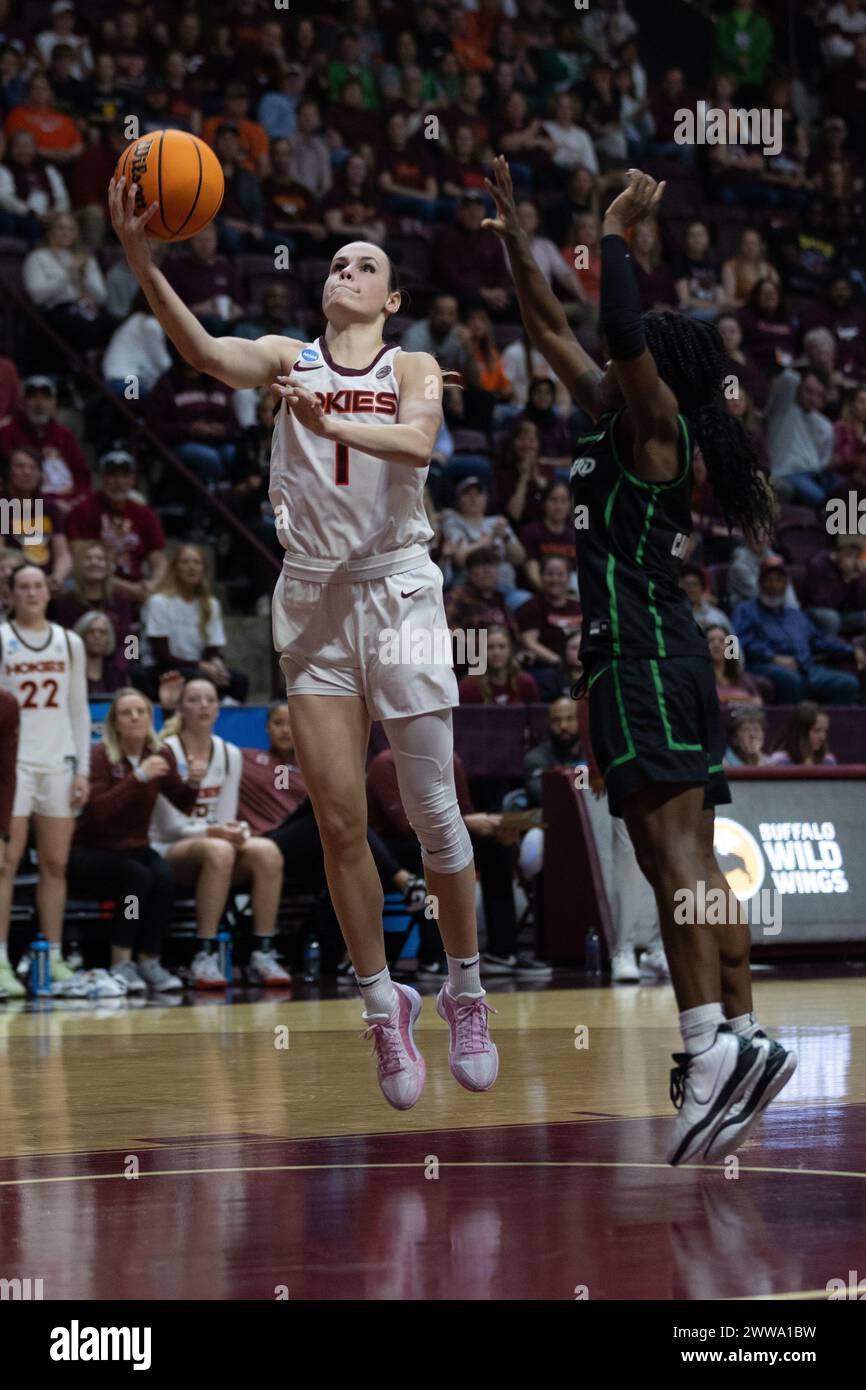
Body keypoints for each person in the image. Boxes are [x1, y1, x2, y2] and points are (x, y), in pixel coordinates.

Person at [109, 177, 499, 1108]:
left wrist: (330, 422)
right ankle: (381, 1006)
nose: (347, 271)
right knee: (335, 822)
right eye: (336, 262)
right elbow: (203, 351)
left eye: (366, 265)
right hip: (315, 597)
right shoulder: (288, 355)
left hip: (399, 590)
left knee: (433, 809)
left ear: (392, 298)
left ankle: (468, 989)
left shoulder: (409, 366)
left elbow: (419, 445)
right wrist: (139, 257)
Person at [484, 157, 796, 1165]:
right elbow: (547, 328)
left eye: (639, 357)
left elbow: (617, 329)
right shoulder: (612, 420)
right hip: (670, 664)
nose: (622, 361)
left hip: (640, 660)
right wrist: (512, 243)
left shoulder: (655, 431)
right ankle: (741, 1035)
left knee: (669, 868)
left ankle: (704, 1047)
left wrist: (613, 228)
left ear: (659, 371)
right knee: (694, 862)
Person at [149, 677, 288, 988]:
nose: (203, 706)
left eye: (210, 700)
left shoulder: (229, 753)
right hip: (167, 848)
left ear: (218, 709)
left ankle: (262, 952)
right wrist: (215, 831)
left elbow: (226, 815)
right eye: (194, 699)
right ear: (180, 708)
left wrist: (237, 829)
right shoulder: (165, 752)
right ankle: (204, 953)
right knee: (219, 849)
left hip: (212, 846)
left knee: (266, 851)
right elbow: (170, 827)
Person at [67, 687, 203, 993]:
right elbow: (99, 811)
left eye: (141, 712)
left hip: (135, 847)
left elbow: (182, 803)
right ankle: (121, 961)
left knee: (164, 877)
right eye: (127, 713)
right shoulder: (100, 756)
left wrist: (193, 781)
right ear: (114, 722)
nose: (135, 718)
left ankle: (149, 959)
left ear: (150, 718)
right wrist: (137, 778)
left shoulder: (158, 754)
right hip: (91, 851)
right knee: (137, 877)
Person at [0, 564, 90, 998]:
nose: (32, 592)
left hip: (58, 763)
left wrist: (83, 769)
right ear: (11, 593)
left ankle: (52, 957)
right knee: (5, 865)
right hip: (13, 767)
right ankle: (0, 960)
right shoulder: (2, 639)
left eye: (38, 585)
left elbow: (79, 711)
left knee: (55, 866)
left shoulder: (69, 642)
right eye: (23, 586)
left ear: (48, 593)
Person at [733, 556, 864, 702]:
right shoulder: (745, 610)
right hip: (766, 666)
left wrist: (850, 649)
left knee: (847, 683)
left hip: (806, 669)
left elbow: (818, 640)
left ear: (786, 584)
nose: (773, 585)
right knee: (791, 680)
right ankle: (791, 723)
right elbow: (740, 641)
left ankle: (834, 724)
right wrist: (772, 657)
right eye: (768, 579)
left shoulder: (795, 614)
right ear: (759, 582)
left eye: (779, 579)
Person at [142, 544, 248, 704]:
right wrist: (202, 666)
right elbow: (161, 654)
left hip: (197, 667)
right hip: (163, 668)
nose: (191, 567)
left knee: (239, 680)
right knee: (199, 679)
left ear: (203, 569)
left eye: (196, 562)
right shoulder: (159, 602)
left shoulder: (211, 604)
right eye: (185, 562)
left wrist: (215, 664)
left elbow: (212, 650)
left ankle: (222, 719)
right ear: (175, 568)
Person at [64, 449, 167, 611]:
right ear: (102, 478)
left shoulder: (145, 514)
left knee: (160, 603)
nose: (119, 482)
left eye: (124, 476)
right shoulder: (83, 510)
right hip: (94, 584)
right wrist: (130, 590)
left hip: (136, 586)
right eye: (112, 475)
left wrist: (151, 585)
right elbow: (80, 560)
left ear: (133, 480)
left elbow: (159, 561)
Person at [802, 533, 866, 637]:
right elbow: (823, 601)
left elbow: (861, 603)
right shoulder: (818, 564)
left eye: (856, 556)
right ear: (837, 552)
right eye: (849, 555)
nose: (853, 560)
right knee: (831, 618)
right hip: (816, 611)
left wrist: (859, 578)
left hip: (843, 614)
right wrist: (846, 580)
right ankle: (831, 649)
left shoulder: (854, 569)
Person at [458, 624, 539, 705]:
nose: (496, 653)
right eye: (490, 647)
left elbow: (535, 716)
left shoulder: (525, 683)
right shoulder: (469, 687)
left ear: (510, 650)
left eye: (502, 647)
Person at [705, 624, 763, 706]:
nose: (716, 644)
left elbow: (758, 706)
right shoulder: (699, 681)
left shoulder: (744, 679)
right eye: (710, 640)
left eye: (722, 641)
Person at [769, 701, 837, 765]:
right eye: (817, 731)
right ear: (800, 732)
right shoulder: (779, 762)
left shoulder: (829, 761)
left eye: (825, 731)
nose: (823, 737)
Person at [723, 703, 771, 767]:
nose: (752, 735)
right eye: (746, 730)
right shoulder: (723, 764)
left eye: (756, 729)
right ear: (734, 739)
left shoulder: (771, 763)